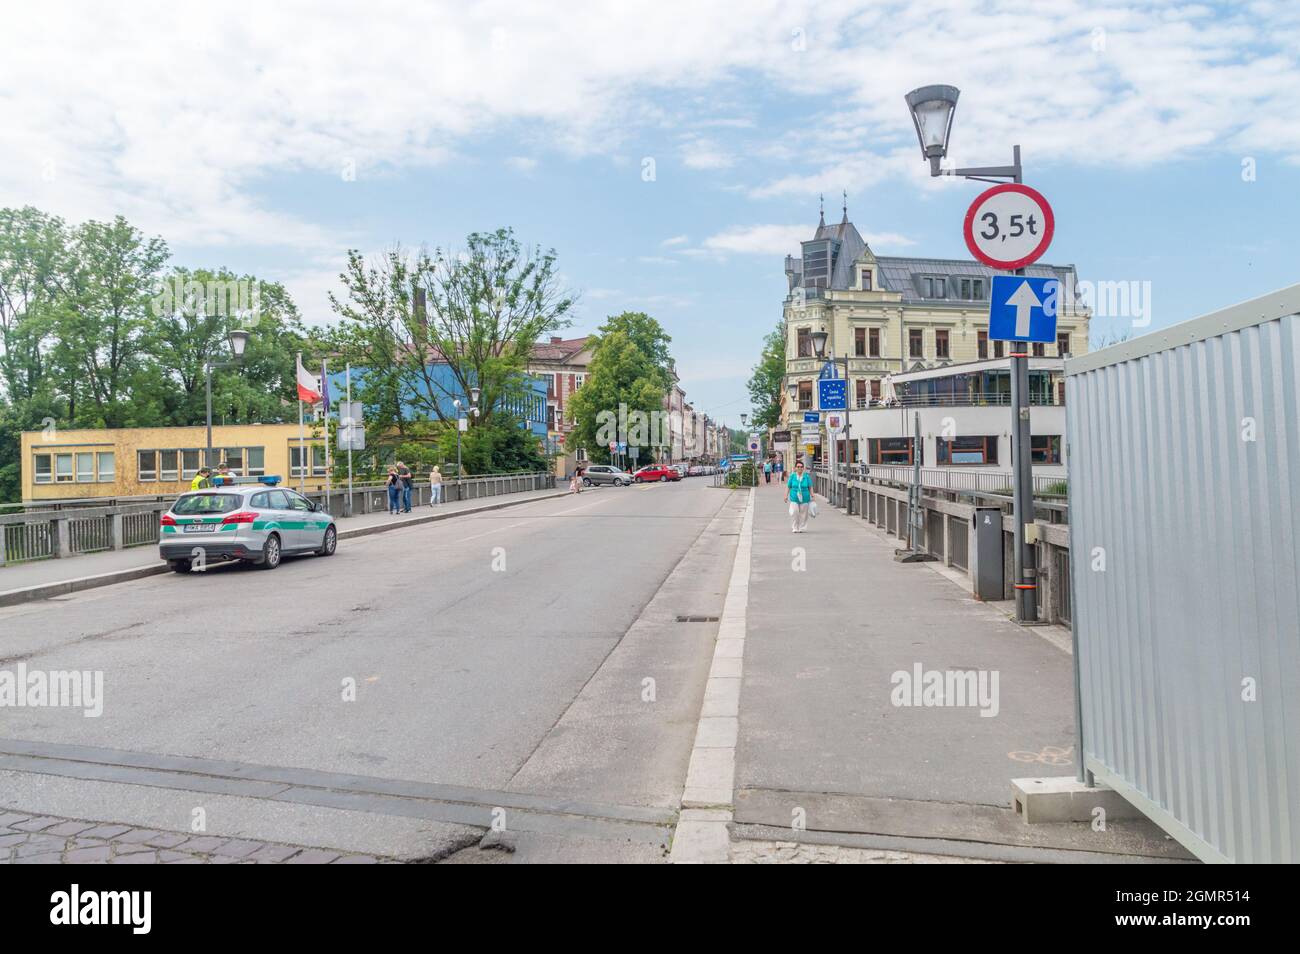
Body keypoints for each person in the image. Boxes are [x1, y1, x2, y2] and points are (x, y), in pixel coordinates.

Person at [788, 458, 812, 533]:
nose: (800, 468)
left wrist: (813, 495)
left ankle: (802, 527)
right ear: (795, 468)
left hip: (805, 497)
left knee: (804, 514)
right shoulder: (792, 476)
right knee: (795, 512)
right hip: (794, 497)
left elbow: (810, 487)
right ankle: (795, 527)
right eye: (798, 467)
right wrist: (785, 495)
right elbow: (789, 486)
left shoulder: (806, 476)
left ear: (803, 468)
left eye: (801, 467)